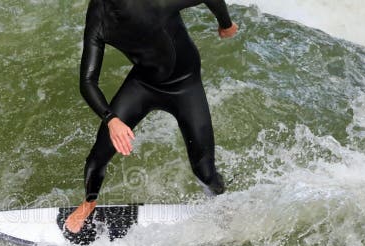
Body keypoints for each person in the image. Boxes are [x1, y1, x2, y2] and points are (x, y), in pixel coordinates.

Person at [65, 0, 239, 233]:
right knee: (99, 155)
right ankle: (89, 203)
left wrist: (225, 24)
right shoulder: (99, 14)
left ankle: (220, 202)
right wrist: (111, 120)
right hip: (143, 84)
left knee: (205, 172)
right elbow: (87, 82)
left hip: (185, 85)